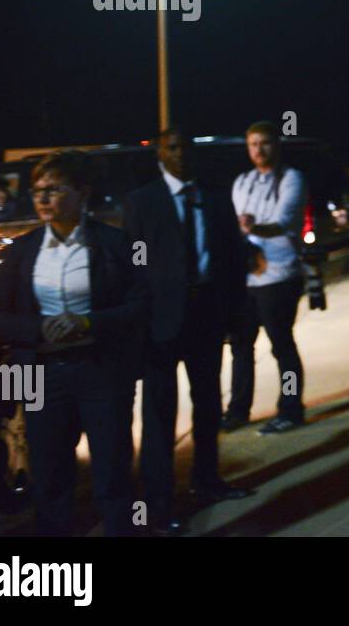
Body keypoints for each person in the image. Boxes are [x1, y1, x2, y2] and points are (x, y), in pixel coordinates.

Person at [0, 150, 144, 536]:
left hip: (101, 370)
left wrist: (88, 321)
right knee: (50, 474)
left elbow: (142, 304)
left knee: (111, 469)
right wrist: (39, 328)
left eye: (54, 189)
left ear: (82, 192)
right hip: (44, 375)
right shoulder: (22, 250)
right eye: (37, 190)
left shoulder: (113, 242)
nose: (41, 198)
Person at [124, 127, 253, 535]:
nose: (180, 154)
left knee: (208, 402)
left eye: (186, 147)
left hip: (206, 315)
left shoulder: (215, 198)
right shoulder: (142, 202)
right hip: (161, 323)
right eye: (172, 147)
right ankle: (159, 501)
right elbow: (135, 264)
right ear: (160, 155)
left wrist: (236, 317)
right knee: (160, 412)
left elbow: (232, 261)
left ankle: (208, 480)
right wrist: (140, 319)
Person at [227, 121, 308, 435]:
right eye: (253, 144)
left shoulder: (292, 179)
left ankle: (291, 408)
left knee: (281, 345)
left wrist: (253, 228)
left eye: (265, 143)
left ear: (277, 145)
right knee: (240, 346)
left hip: (279, 275)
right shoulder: (242, 182)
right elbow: (235, 226)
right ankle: (238, 409)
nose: (259, 150)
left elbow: (284, 222)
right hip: (247, 278)